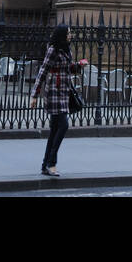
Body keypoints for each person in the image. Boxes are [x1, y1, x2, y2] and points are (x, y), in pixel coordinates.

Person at [30, 25, 88, 177]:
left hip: (65, 92)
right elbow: (43, 70)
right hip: (54, 93)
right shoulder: (53, 49)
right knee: (63, 125)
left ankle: (45, 165)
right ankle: (51, 163)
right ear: (62, 35)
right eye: (69, 33)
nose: (71, 35)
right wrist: (34, 95)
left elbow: (67, 68)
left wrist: (79, 65)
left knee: (55, 130)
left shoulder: (66, 49)